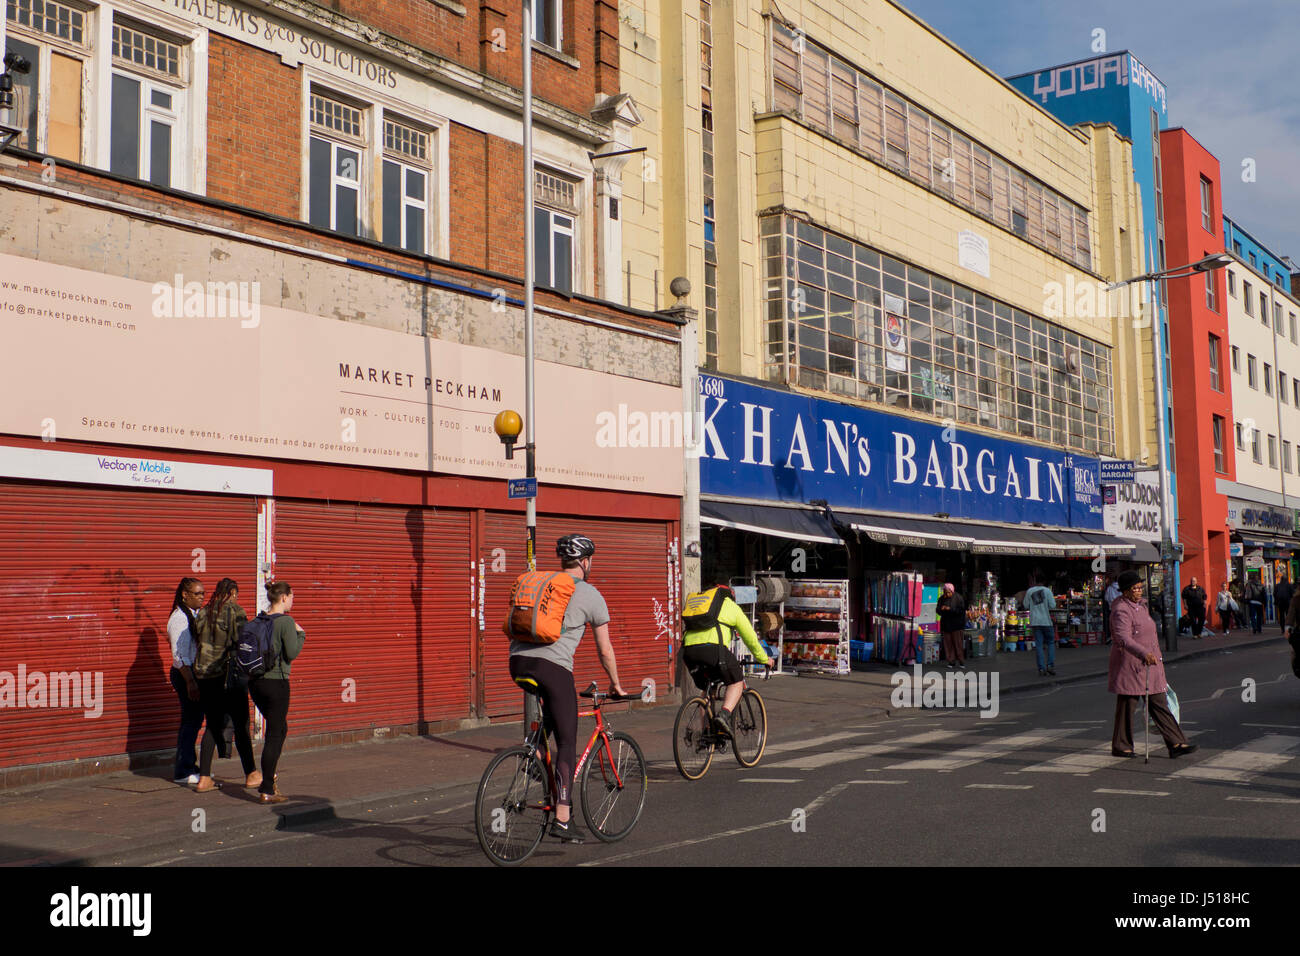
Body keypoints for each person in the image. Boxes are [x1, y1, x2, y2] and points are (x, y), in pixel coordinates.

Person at [508, 535, 626, 844]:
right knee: (567, 740)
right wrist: (615, 683)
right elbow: (604, 649)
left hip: (517, 663)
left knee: (553, 712)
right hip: (552, 668)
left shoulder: (545, 583)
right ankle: (562, 817)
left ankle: (532, 751)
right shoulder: (590, 593)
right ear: (586, 562)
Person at [1107, 571, 1197, 759]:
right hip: (1130, 665)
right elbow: (1123, 638)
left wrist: (1152, 655)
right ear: (1125, 591)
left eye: (1140, 587)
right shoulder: (1121, 609)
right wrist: (1143, 653)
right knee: (1127, 706)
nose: (1139, 591)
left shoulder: (1141, 606)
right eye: (1135, 588)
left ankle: (1176, 743)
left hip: (1149, 664)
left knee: (1159, 703)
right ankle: (1121, 746)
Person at [191, 578, 260, 793]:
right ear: (231, 593)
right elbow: (243, 643)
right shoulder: (234, 611)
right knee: (241, 725)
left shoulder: (202, 613)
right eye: (236, 594)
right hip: (228, 677)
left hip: (205, 677)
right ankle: (251, 774)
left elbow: (197, 641)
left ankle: (204, 778)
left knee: (212, 725)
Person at [683, 584, 776, 731]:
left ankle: (706, 733)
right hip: (714, 651)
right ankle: (724, 715)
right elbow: (750, 637)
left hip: (688, 652)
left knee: (708, 689)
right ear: (729, 595)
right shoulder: (730, 606)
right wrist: (764, 659)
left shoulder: (703, 606)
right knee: (736, 682)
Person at [246, 581, 306, 805]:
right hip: (276, 682)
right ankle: (268, 788)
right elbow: (291, 653)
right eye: (292, 597)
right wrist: (301, 635)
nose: (292, 601)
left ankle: (269, 781)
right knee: (275, 732)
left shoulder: (259, 619)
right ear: (283, 598)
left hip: (255, 683)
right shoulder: (286, 622)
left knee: (279, 728)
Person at [167, 578, 205, 785]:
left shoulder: (193, 615)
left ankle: (190, 765)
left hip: (192, 675)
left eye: (203, 594)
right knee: (190, 722)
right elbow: (178, 657)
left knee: (193, 721)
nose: (201, 598)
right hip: (185, 676)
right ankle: (183, 770)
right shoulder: (179, 619)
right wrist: (191, 682)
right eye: (197, 594)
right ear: (185, 595)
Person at [1024, 573, 1056, 677]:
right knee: (1051, 643)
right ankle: (1050, 665)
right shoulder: (1047, 591)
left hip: (1035, 622)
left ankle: (1041, 668)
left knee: (1039, 645)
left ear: (1035, 580)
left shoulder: (1030, 591)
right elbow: (1053, 605)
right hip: (1046, 621)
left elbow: (1025, 605)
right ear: (1044, 581)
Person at [936, 583, 967, 669]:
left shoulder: (958, 598)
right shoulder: (941, 599)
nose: (947, 594)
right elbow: (938, 610)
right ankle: (951, 661)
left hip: (957, 625)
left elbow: (961, 611)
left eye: (949, 592)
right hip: (946, 624)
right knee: (948, 644)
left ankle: (961, 661)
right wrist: (941, 609)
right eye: (945, 592)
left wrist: (950, 609)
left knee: (958, 644)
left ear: (952, 591)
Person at [1103, 574, 1121, 644]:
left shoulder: (1110, 588)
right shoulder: (1122, 588)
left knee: (1113, 624)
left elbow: (1106, 598)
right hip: (1121, 608)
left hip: (1112, 608)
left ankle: (1112, 637)